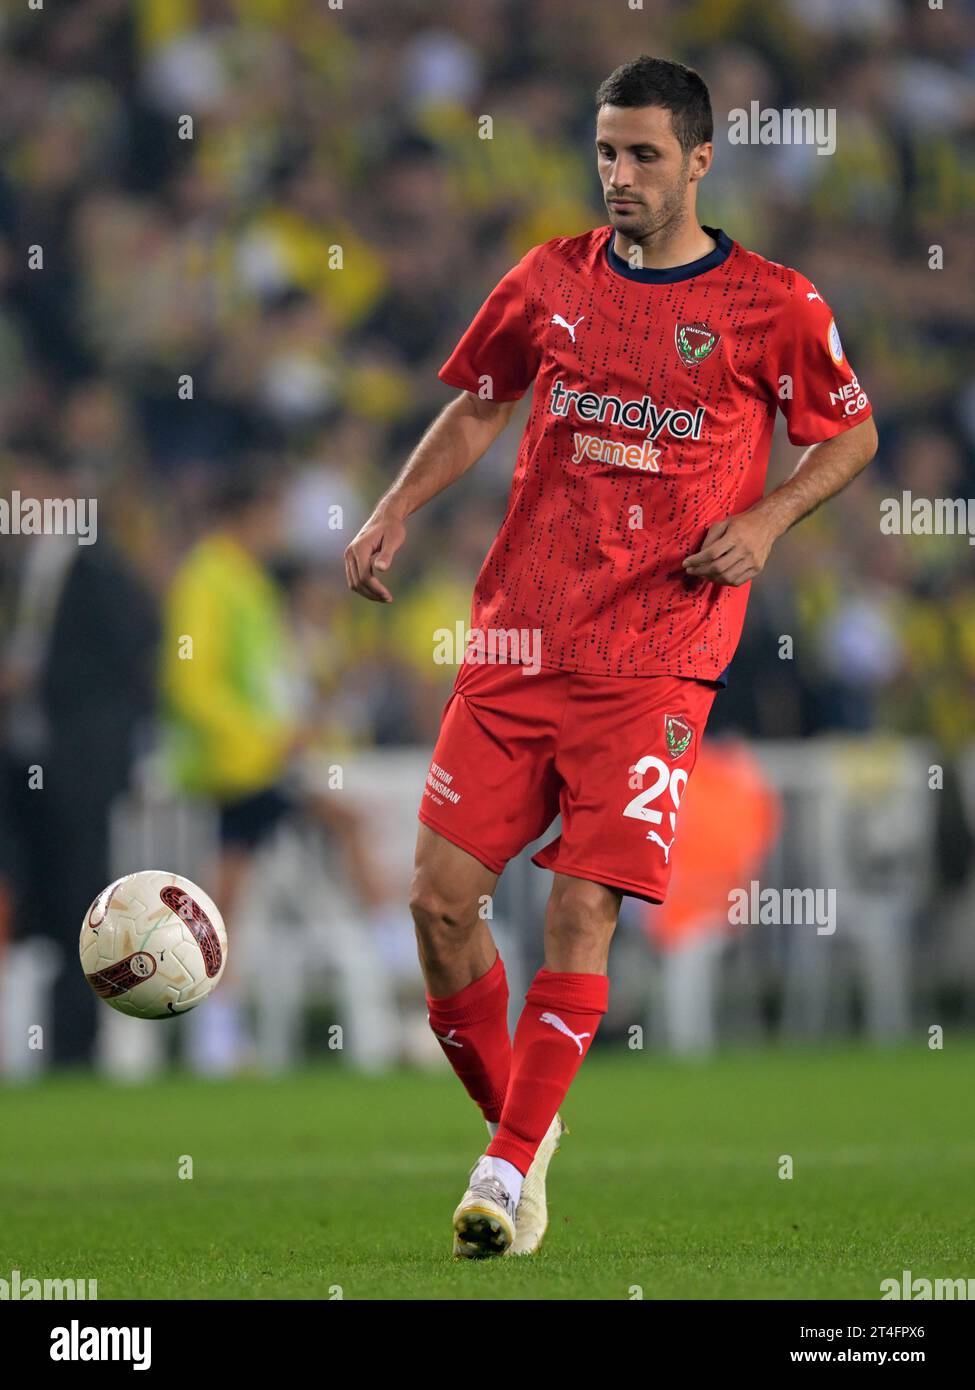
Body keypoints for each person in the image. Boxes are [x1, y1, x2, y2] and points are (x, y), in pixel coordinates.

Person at [345, 55, 878, 1258]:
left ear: (698, 161)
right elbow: (481, 401)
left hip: (657, 660)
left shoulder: (774, 306)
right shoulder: (549, 279)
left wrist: (767, 518)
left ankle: (503, 1164)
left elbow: (851, 432)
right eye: (604, 153)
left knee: (582, 910)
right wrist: (395, 508)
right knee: (439, 906)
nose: (619, 176)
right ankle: (528, 1137)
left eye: (643, 155)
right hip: (519, 643)